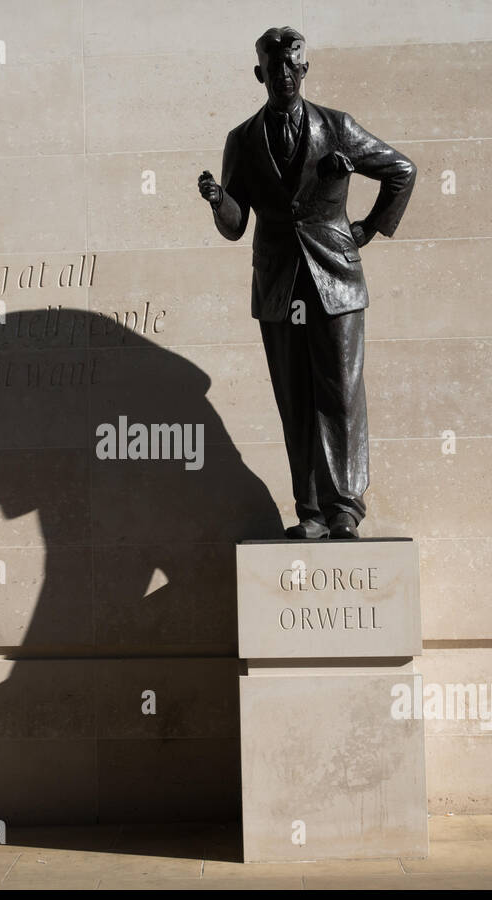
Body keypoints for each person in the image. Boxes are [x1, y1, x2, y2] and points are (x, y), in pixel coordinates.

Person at [198, 26, 415, 540]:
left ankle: (346, 509)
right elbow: (235, 225)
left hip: (335, 281)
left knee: (339, 394)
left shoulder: (336, 127)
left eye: (293, 69)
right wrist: (216, 201)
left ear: (304, 71)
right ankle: (311, 511)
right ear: (260, 75)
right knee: (294, 400)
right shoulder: (242, 140)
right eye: (275, 71)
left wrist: (367, 229)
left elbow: (401, 170)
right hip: (279, 287)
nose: (285, 77)